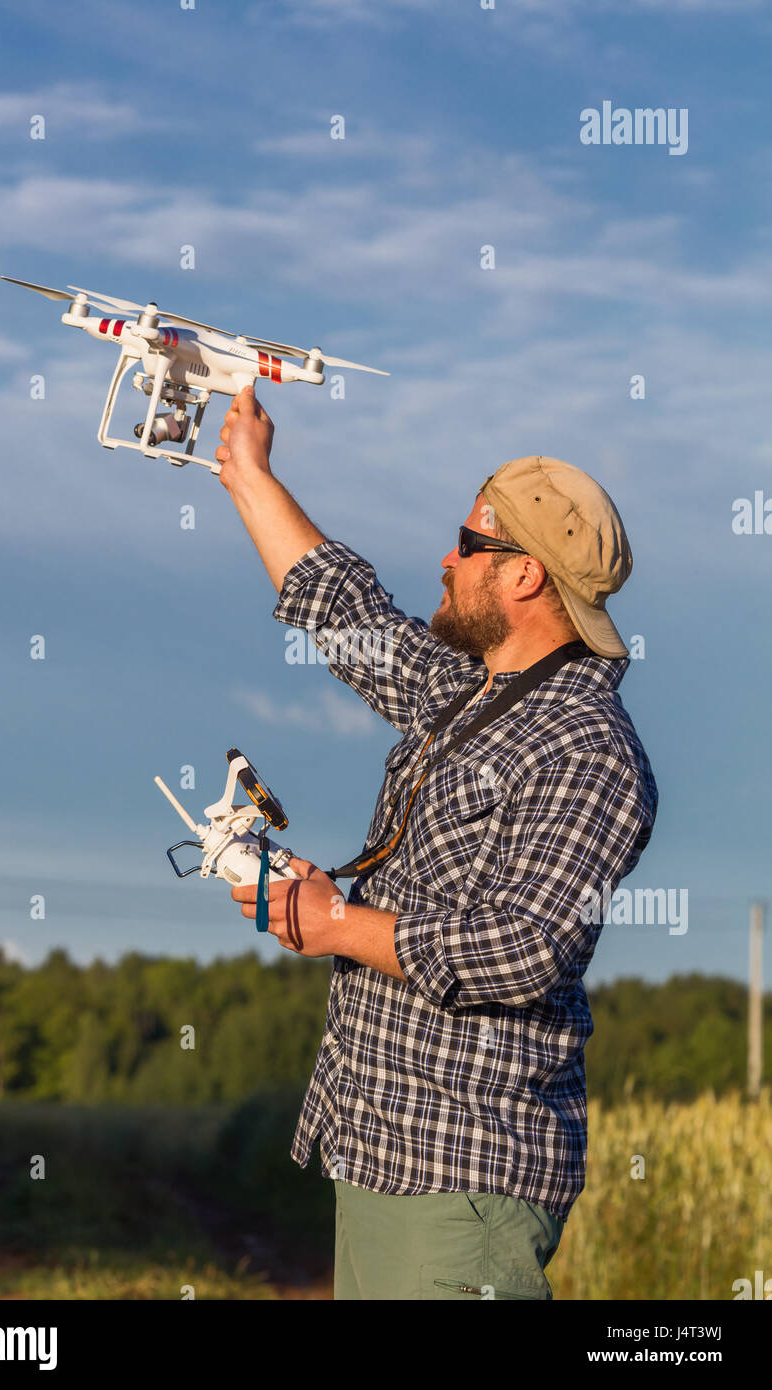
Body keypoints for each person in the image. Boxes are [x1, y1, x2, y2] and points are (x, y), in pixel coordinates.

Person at [217, 383, 658, 1301]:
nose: (446, 559)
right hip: (384, 1149)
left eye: (469, 545)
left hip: (464, 1179)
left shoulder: (586, 746)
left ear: (525, 575)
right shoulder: (470, 689)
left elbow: (521, 948)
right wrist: (249, 472)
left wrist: (333, 922)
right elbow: (345, 615)